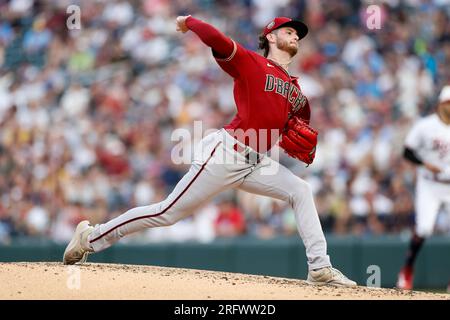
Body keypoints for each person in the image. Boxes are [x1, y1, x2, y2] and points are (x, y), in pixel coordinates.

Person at [63, 15, 356, 286]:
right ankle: (91, 237)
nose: (296, 37)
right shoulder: (251, 62)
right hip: (225, 153)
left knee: (300, 191)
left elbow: (299, 120)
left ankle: (319, 267)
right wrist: (189, 21)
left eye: (297, 34)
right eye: (288, 31)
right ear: (270, 37)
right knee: (167, 212)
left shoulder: (294, 89)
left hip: (257, 163)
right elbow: (218, 40)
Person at [396, 85, 450, 290]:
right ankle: (407, 270)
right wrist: (424, 163)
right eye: (448, 103)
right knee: (424, 228)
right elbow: (407, 152)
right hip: (429, 184)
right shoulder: (426, 125)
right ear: (440, 104)